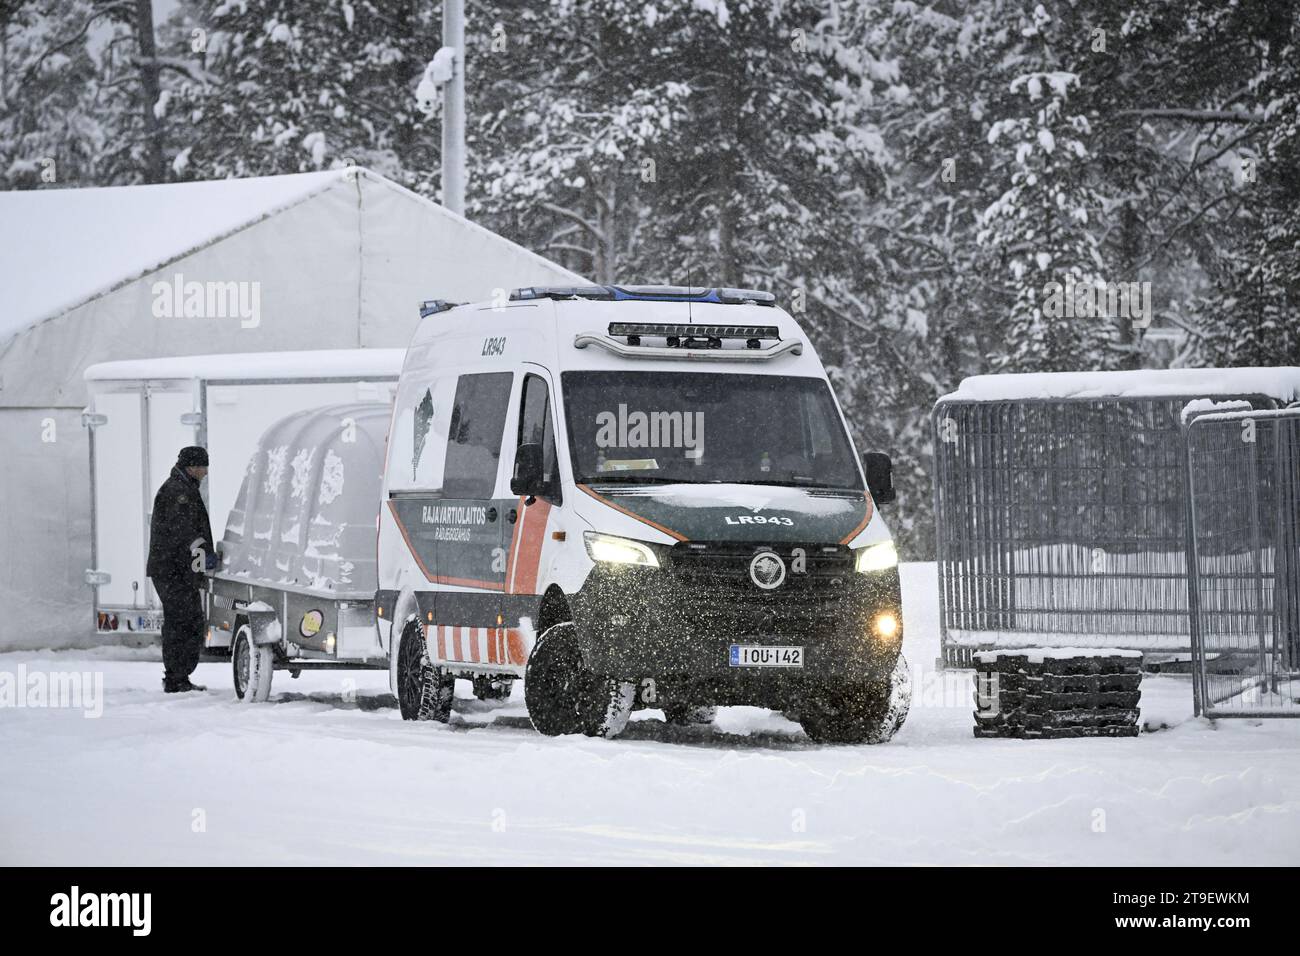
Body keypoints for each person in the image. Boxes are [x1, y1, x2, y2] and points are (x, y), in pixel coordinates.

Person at [147, 446, 217, 693]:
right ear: (192, 466)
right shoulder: (178, 492)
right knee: (182, 622)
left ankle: (178, 677)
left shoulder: (183, 487)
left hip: (176, 570)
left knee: (187, 621)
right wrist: (202, 553)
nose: (206, 472)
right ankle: (176, 678)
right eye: (203, 466)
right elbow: (183, 532)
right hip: (171, 571)